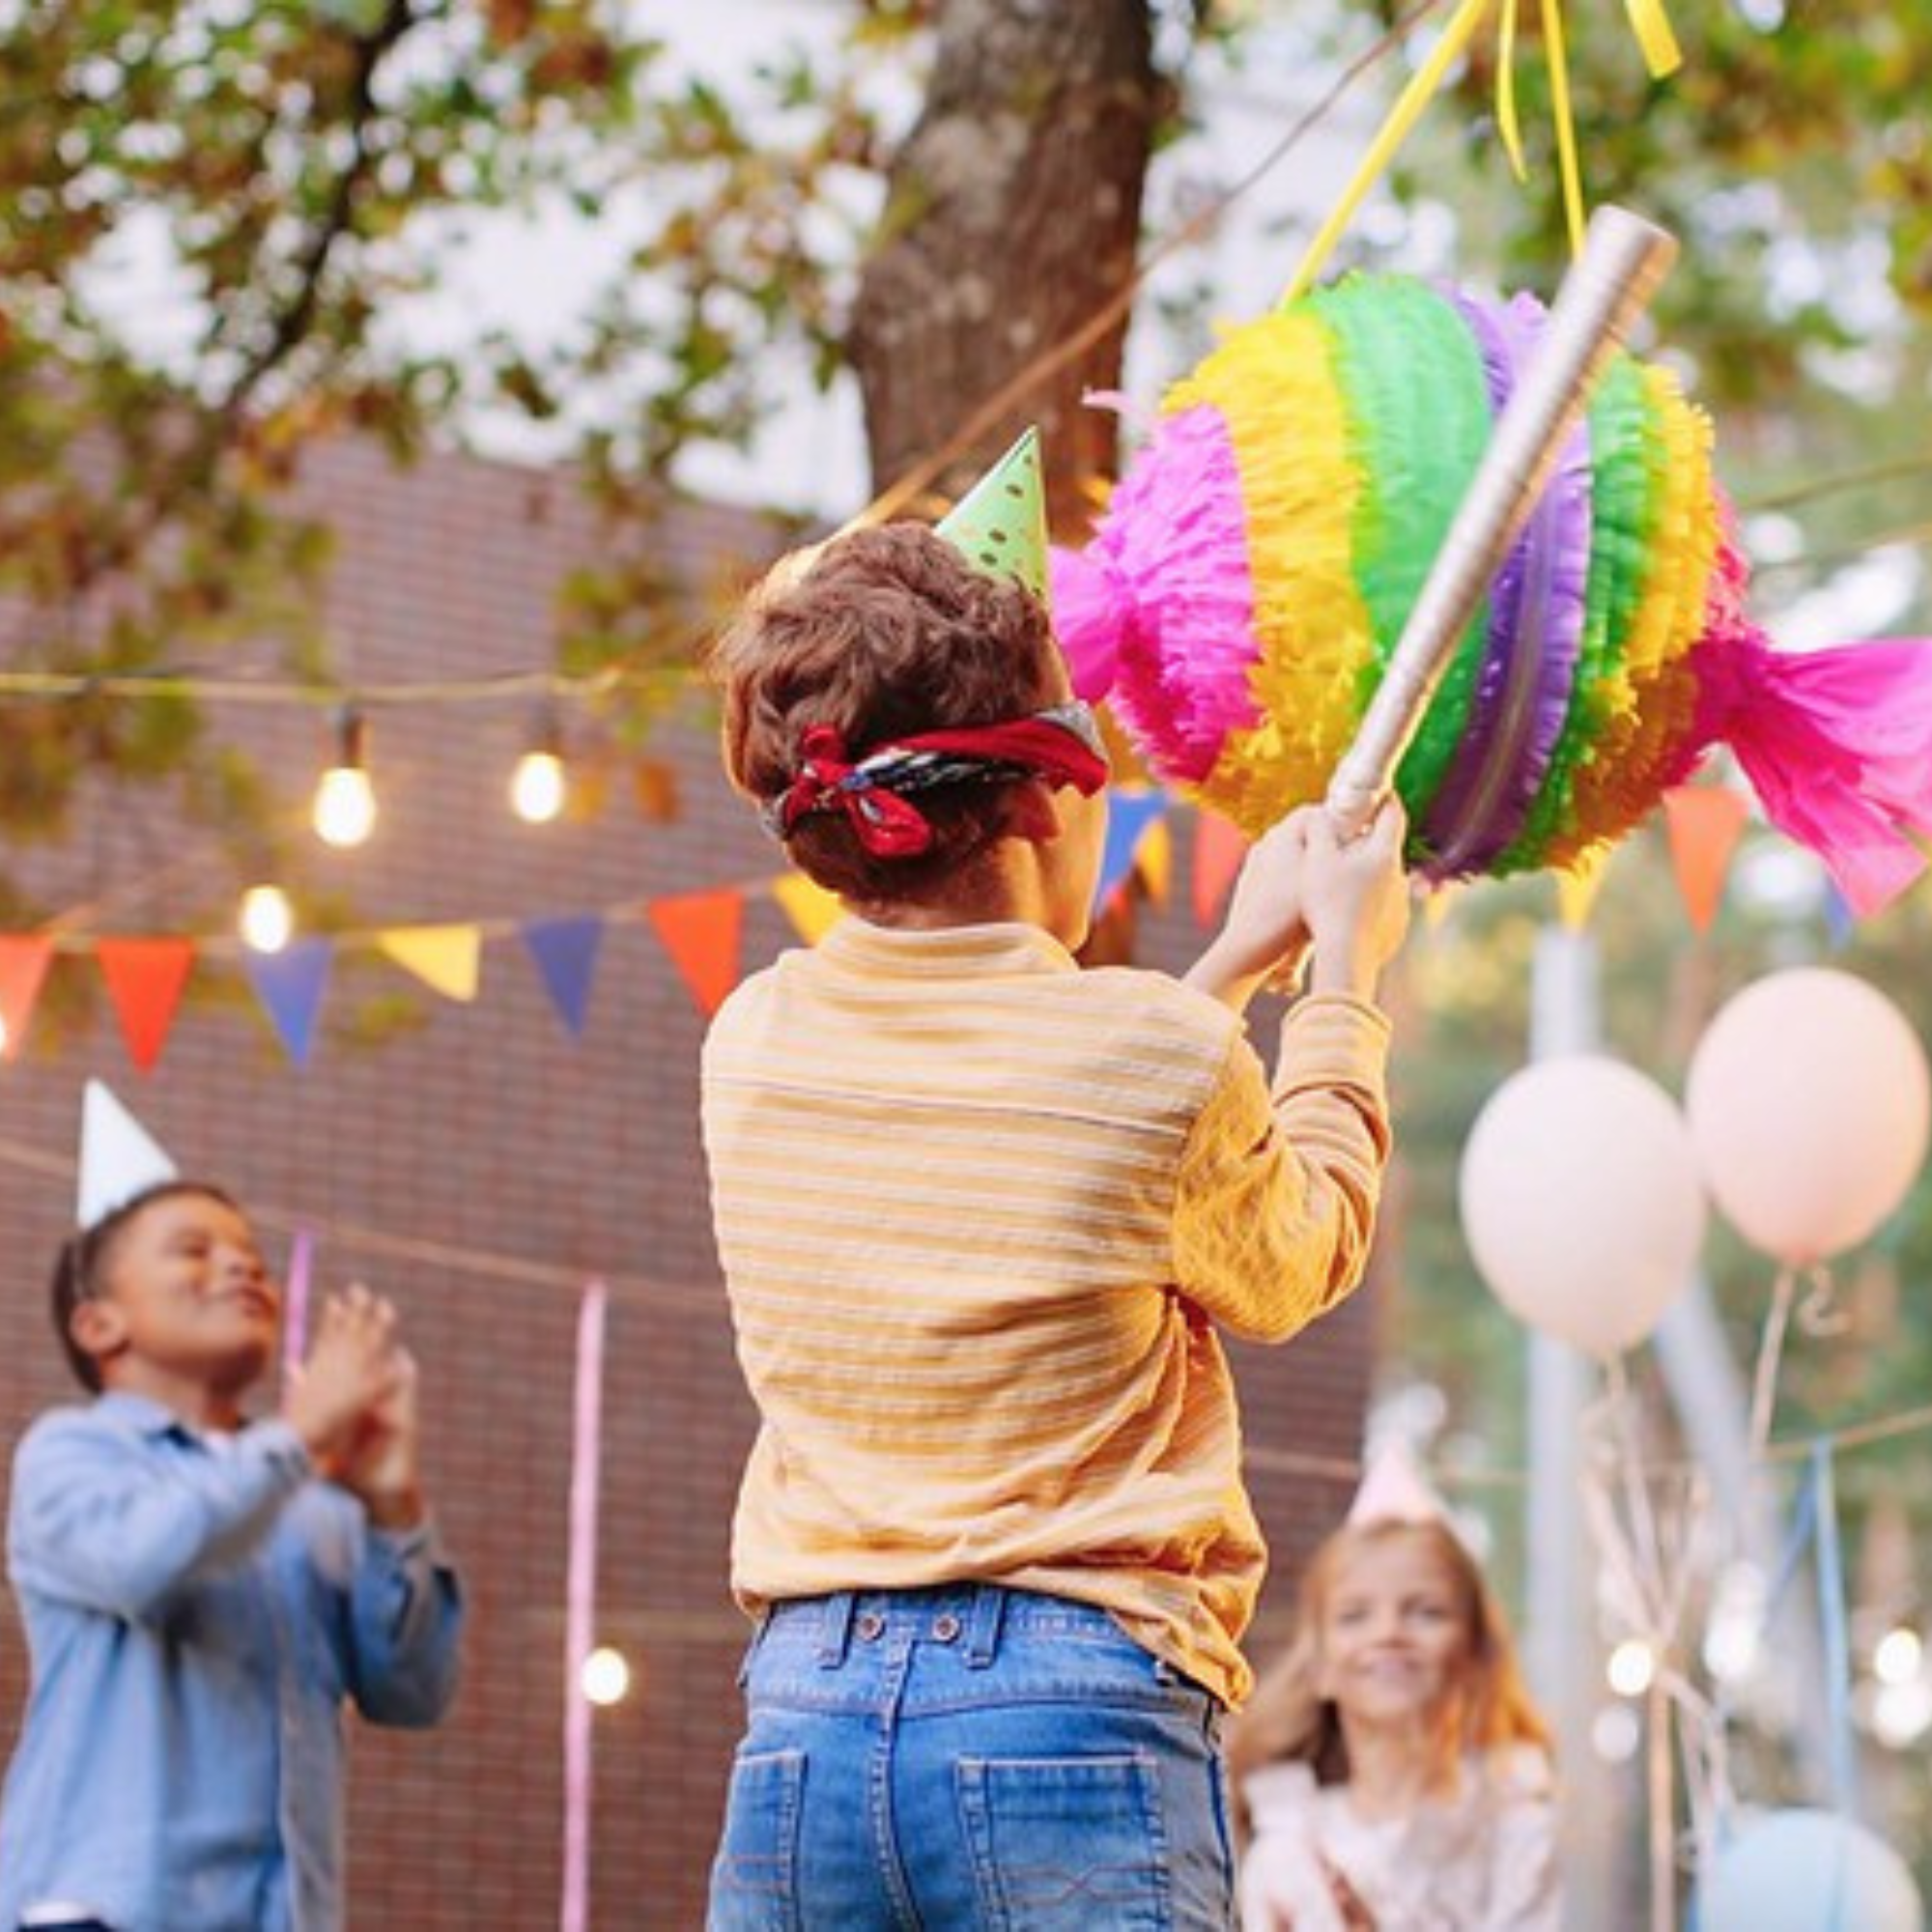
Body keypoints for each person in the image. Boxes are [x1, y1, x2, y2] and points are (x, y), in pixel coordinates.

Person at [698, 436, 1411, 1929]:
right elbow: (1299, 1253)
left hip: (806, 1721)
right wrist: (1346, 971)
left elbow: (1064, 1131)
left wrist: (1237, 960)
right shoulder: (1151, 1059)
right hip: (1074, 1703)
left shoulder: (751, 1042)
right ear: (1046, 802)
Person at [0, 1131, 464, 1932]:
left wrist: (395, 1506)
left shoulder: (313, 1498)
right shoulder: (72, 1451)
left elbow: (412, 1693)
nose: (243, 1268)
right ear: (100, 1325)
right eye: (194, 1250)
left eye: (253, 1258)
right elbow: (140, 1559)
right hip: (102, 1909)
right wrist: (301, 1432)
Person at [1227, 1461, 1558, 1932]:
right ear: (1320, 1667)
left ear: (1474, 1653)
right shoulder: (1291, 1845)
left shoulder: (1519, 1829)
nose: (1388, 1633)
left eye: (1426, 1612)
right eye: (1354, 1616)